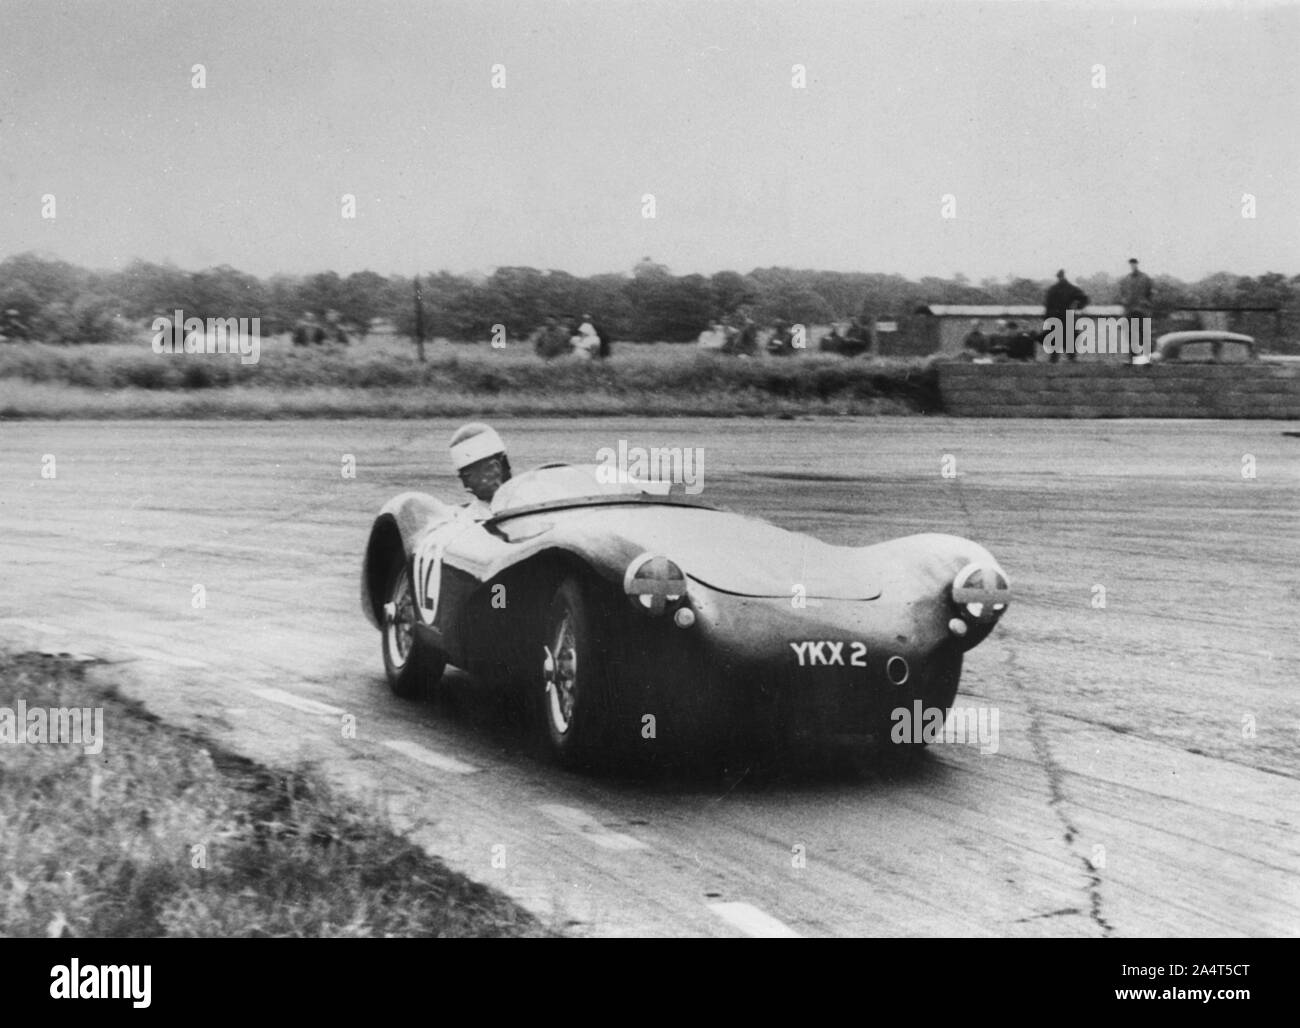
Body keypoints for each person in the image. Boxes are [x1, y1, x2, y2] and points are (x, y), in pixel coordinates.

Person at [448, 422, 512, 518]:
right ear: (464, 481)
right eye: (471, 475)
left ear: (503, 465)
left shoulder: (534, 498)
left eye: (489, 469)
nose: (484, 480)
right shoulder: (465, 520)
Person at [1043, 269, 1089, 363]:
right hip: (1068, 317)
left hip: (1055, 318)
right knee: (1070, 344)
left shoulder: (1052, 289)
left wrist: (1047, 319)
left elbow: (1047, 306)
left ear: (1058, 277)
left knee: (1055, 345)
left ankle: (1054, 363)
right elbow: (1085, 299)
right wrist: (1078, 306)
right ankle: (1071, 362)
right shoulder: (1072, 288)